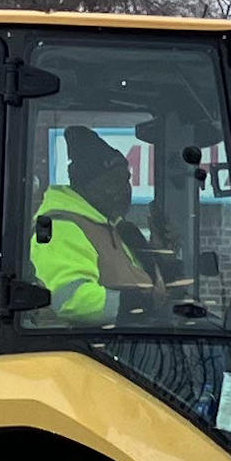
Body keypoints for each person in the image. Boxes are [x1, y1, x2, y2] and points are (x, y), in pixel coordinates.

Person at [28, 129, 144, 326]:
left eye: (126, 180)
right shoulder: (61, 226)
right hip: (89, 342)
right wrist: (131, 305)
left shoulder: (109, 226)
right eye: (113, 182)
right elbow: (67, 298)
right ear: (85, 185)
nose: (124, 190)